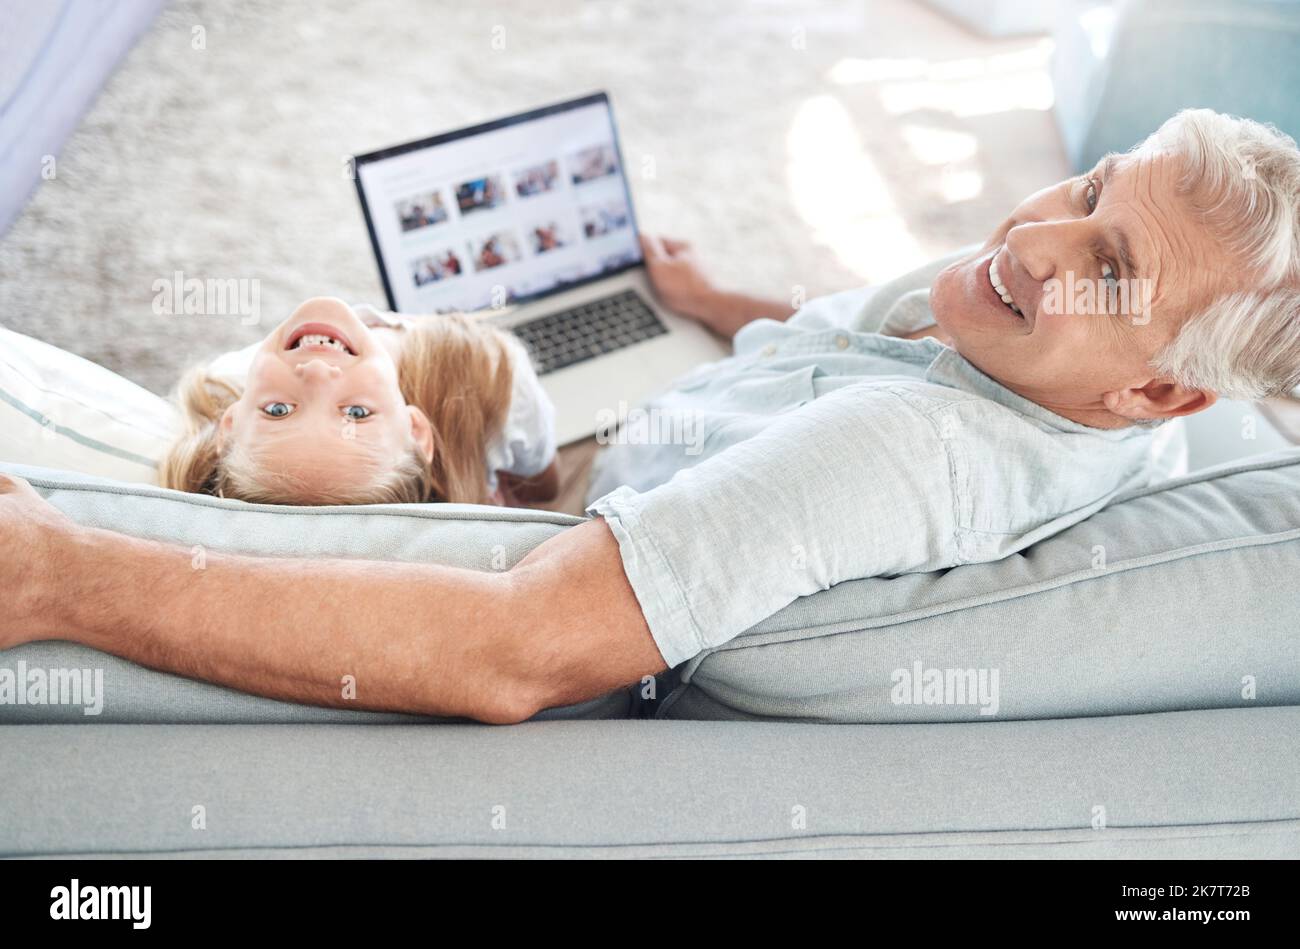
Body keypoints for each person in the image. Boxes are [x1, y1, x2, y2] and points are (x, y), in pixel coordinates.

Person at [3, 109, 1299, 724]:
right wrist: (714, 302)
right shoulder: (1015, 324)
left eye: (1108, 265)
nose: (1036, 231)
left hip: (560, 540)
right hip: (619, 458)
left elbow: (512, 647)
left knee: (292, 377)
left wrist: (63, 575)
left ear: (1159, 391)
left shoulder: (900, 455)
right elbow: (851, 335)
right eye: (1091, 184)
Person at [159, 300, 559, 506]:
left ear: (229, 424)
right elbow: (546, 487)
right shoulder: (497, 375)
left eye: (278, 410)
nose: (317, 371)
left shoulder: (228, 375)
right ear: (416, 431)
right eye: (356, 413)